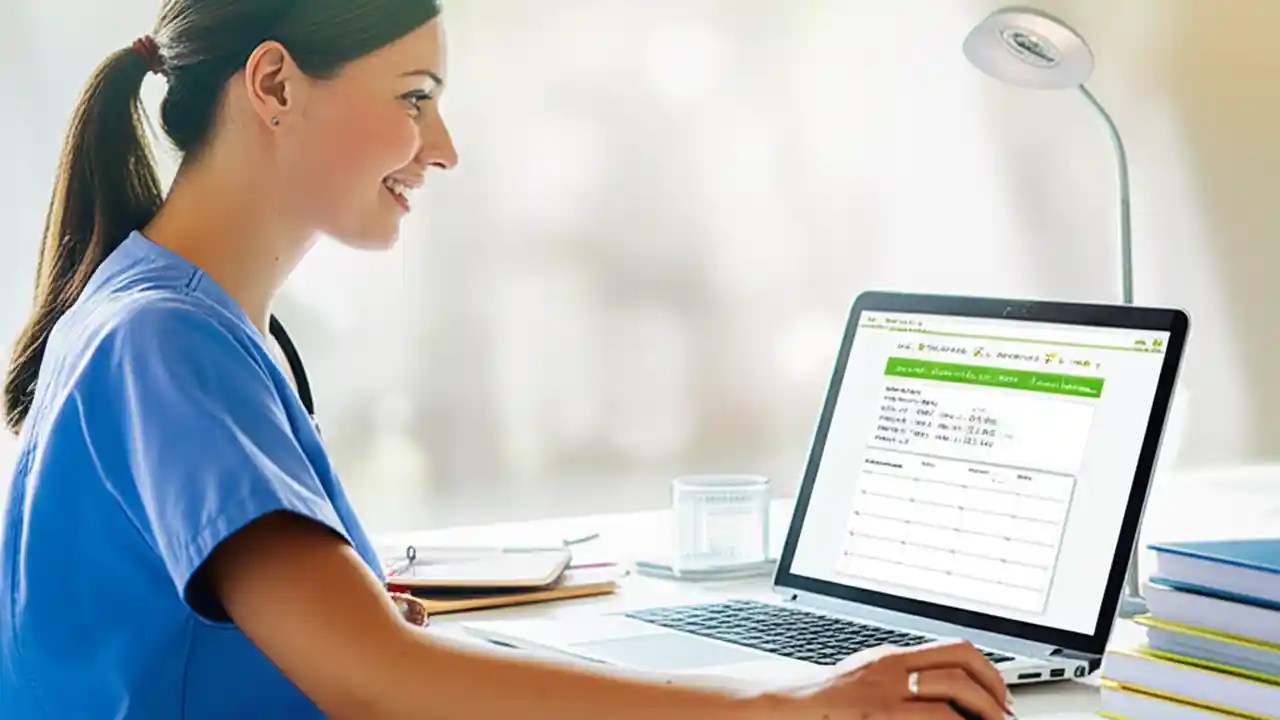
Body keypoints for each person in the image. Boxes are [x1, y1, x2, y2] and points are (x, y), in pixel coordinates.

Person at [0, 1, 1014, 718]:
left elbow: (320, 651)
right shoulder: (163, 340)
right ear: (273, 83)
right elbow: (373, 682)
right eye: (412, 96)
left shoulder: (173, 317)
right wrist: (791, 702)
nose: (442, 147)